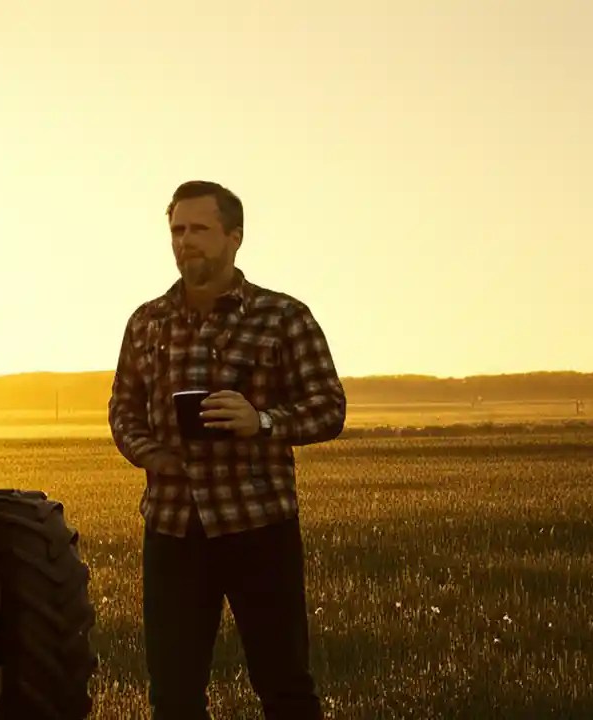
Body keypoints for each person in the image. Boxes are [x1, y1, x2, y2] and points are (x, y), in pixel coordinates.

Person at [108, 180, 347, 719]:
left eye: (199, 229)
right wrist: (150, 454)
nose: (185, 241)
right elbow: (123, 409)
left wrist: (259, 420)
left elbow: (330, 408)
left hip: (258, 526)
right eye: (177, 230)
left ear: (234, 237)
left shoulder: (283, 317)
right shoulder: (147, 321)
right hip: (173, 528)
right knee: (173, 694)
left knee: (284, 685)